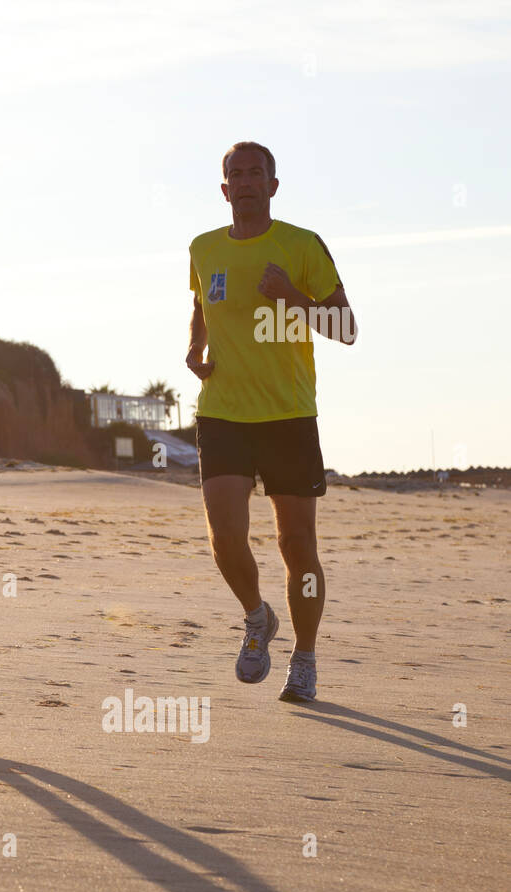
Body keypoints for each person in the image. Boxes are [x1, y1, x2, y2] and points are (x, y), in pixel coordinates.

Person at [186, 141, 357, 703]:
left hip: (287, 414)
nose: (247, 181)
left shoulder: (301, 246)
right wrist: (195, 349)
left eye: (257, 173)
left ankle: (304, 655)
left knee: (296, 545)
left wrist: (291, 296)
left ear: (273, 185)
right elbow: (201, 306)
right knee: (225, 536)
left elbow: (346, 327)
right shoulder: (203, 248)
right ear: (225, 189)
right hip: (222, 412)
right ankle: (257, 616)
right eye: (237, 174)